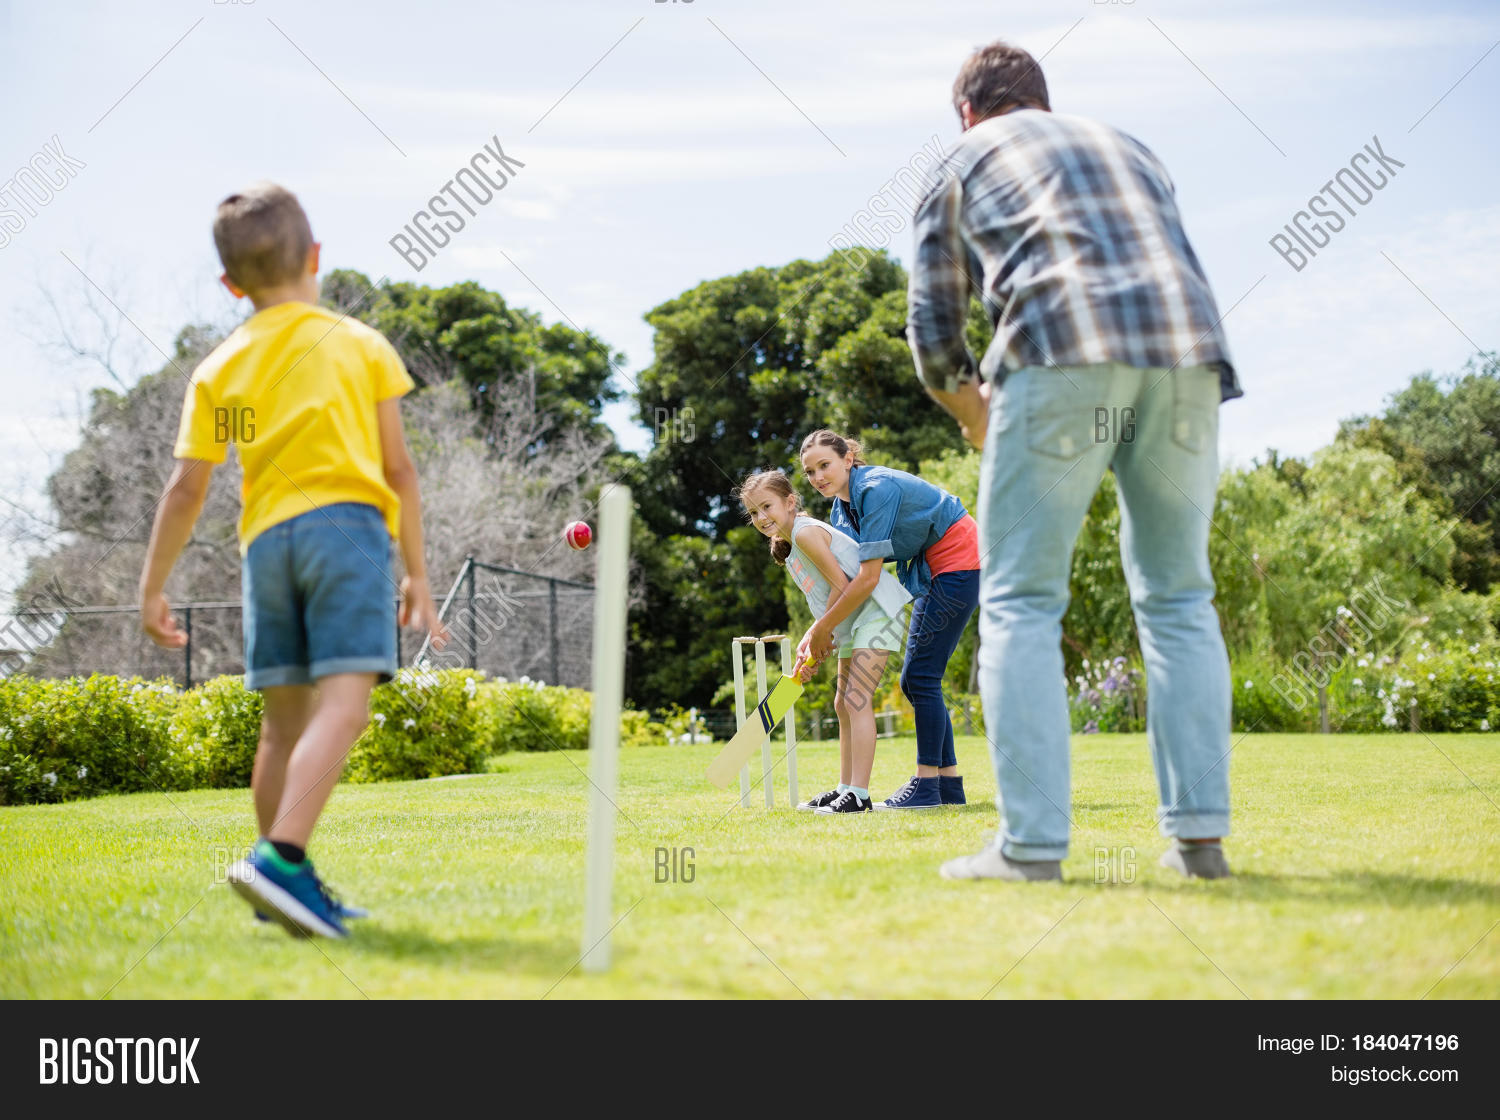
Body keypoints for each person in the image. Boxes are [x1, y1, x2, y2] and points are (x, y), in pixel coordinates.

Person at [907, 40, 1242, 881]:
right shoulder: (1131, 146)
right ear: (1044, 102)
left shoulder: (959, 157)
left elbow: (934, 331)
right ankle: (1200, 843)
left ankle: (1029, 850)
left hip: (1057, 354)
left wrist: (971, 410)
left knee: (1020, 599)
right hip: (1190, 359)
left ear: (967, 111)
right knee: (1179, 596)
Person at [139, 181, 447, 936]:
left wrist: (151, 587)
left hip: (267, 546)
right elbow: (399, 470)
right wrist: (417, 572)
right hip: (347, 533)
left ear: (229, 284)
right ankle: (278, 858)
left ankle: (286, 883)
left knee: (281, 728)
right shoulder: (357, 343)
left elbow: (186, 487)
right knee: (346, 705)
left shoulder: (219, 368)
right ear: (316, 257)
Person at [798, 430, 979, 810]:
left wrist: (823, 629)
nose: (818, 477)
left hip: (958, 558)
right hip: (930, 568)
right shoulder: (839, 510)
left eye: (824, 465)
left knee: (920, 678)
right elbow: (845, 580)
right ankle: (948, 786)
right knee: (918, 679)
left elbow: (868, 577)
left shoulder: (875, 489)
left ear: (848, 458)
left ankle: (927, 784)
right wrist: (818, 637)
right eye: (810, 472)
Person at [737, 468, 912, 814]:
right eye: (753, 512)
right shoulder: (787, 545)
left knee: (856, 699)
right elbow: (824, 600)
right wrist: (812, 638)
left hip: (878, 612)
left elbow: (843, 585)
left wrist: (821, 631)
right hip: (852, 620)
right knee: (841, 703)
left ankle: (859, 795)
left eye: (767, 507)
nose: (761, 517)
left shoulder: (804, 533)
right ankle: (845, 788)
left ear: (790, 502)